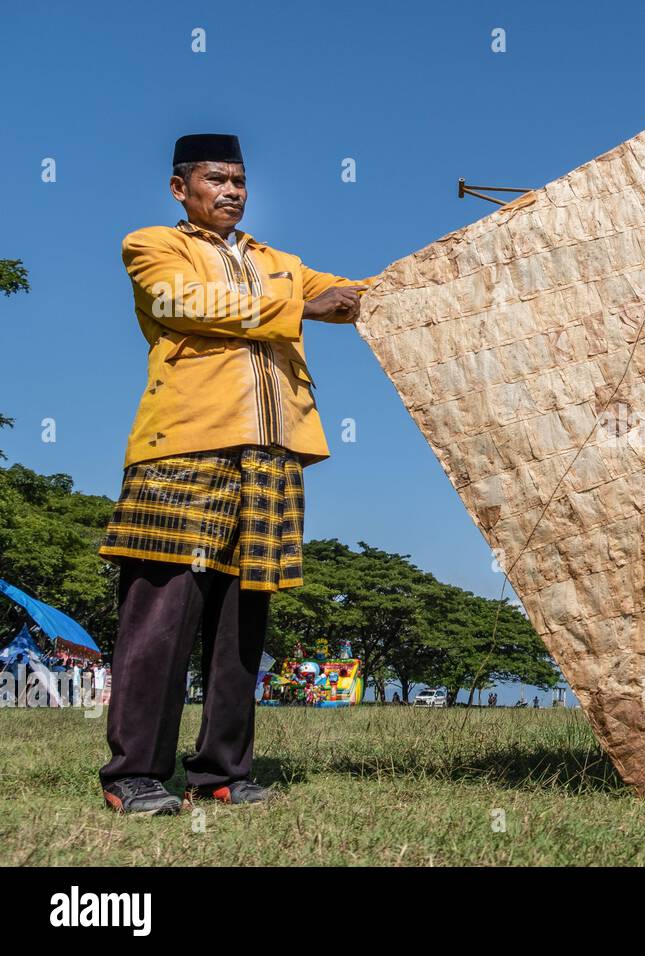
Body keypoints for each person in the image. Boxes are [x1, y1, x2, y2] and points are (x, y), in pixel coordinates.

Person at [96, 133, 378, 815]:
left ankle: (221, 772)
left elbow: (355, 296)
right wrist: (299, 308)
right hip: (183, 447)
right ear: (180, 188)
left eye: (240, 181)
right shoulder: (154, 247)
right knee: (161, 613)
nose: (231, 191)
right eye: (216, 179)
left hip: (270, 453)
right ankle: (134, 774)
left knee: (242, 617)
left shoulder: (280, 263)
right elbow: (182, 304)